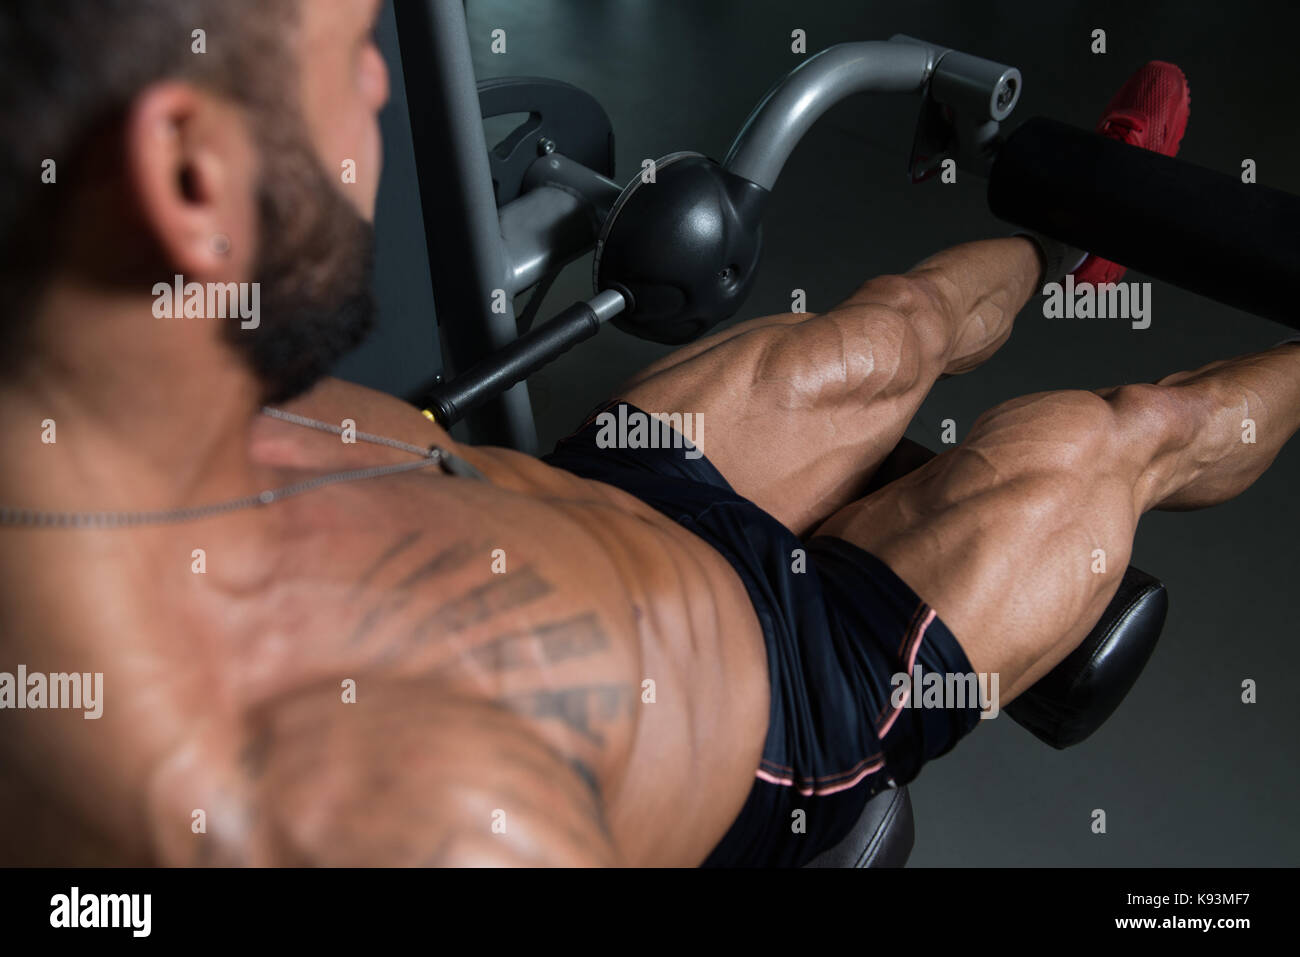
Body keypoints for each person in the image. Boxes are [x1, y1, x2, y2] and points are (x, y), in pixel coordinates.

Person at [0, 0, 1293, 866]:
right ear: (191, 178)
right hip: (800, 702)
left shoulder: (127, 403)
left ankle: (1075, 239)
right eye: (348, 58)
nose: (380, 82)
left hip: (596, 490)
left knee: (887, 330)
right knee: (1129, 429)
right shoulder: (401, 811)